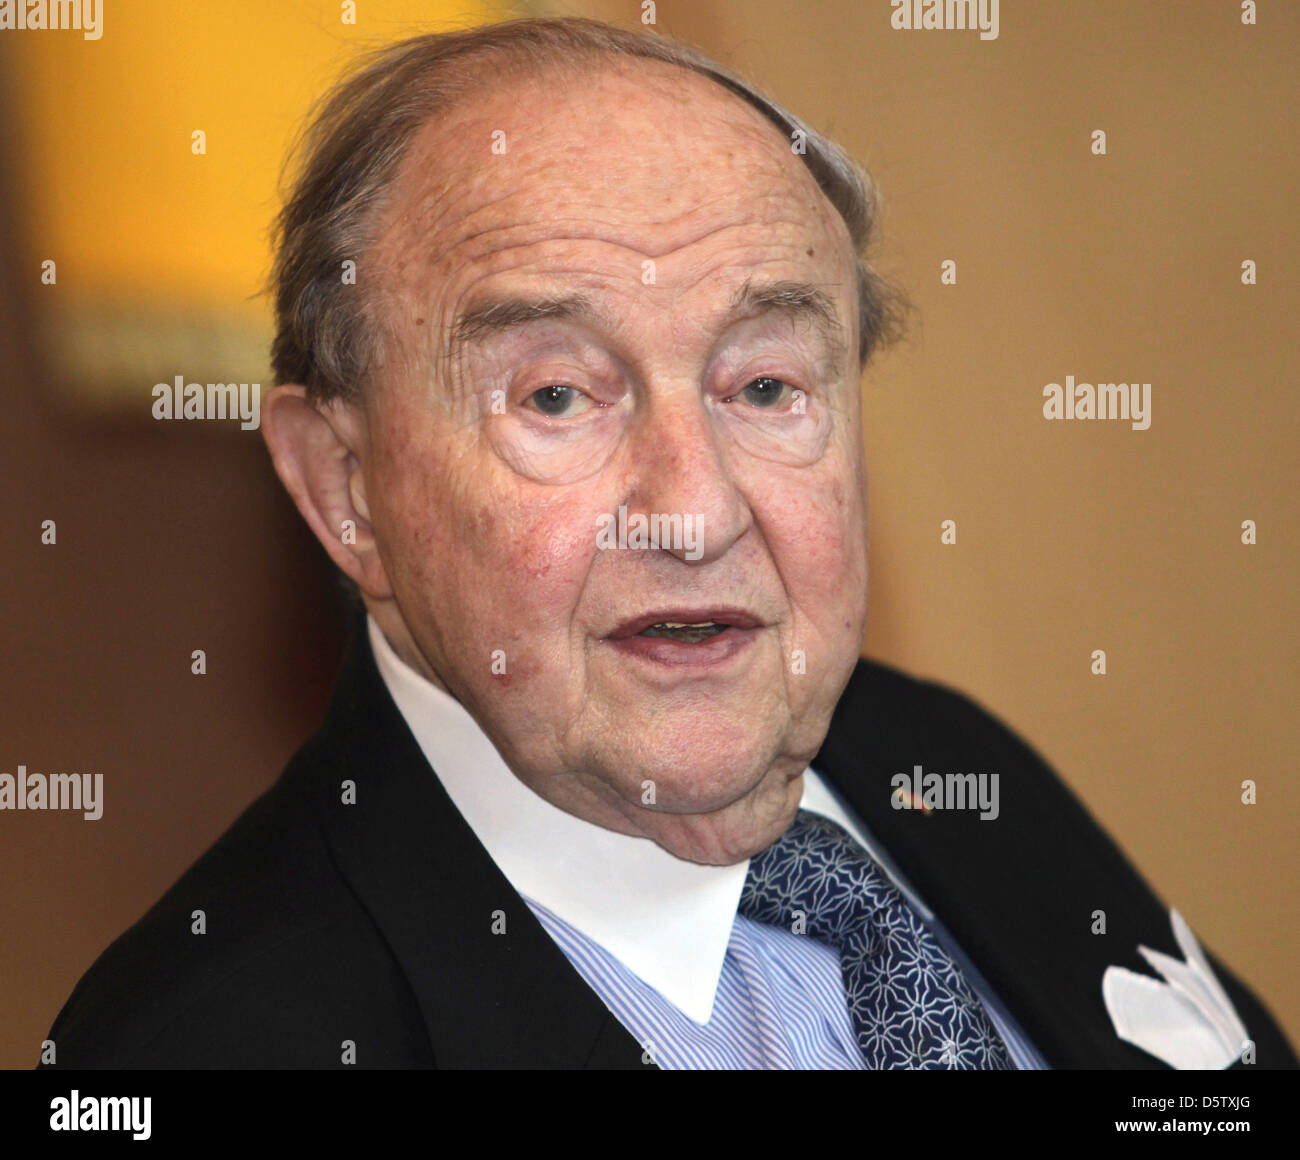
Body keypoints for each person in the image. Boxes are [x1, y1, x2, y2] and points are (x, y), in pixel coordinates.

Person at [39, 17, 1295, 1070]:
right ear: (344, 485)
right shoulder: (202, 1043)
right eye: (555, 398)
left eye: (762, 387)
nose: (693, 514)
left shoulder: (936, 758)